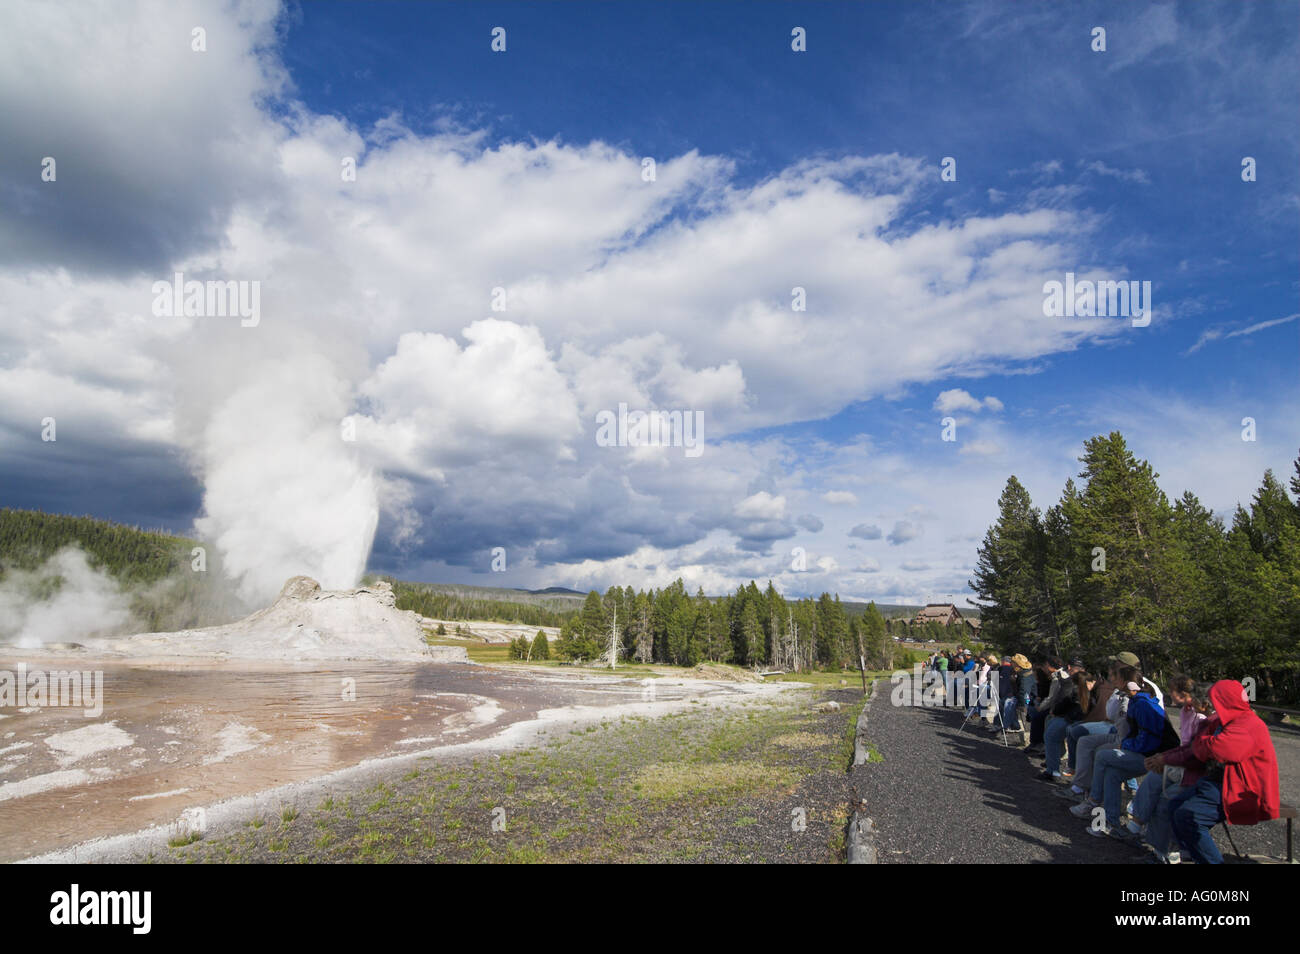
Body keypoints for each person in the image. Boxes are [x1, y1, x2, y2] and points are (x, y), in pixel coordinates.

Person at [1156, 679, 1281, 864]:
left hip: (1241, 788)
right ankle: (1192, 854)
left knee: (1189, 816)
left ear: (1226, 701)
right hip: (1219, 781)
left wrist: (1204, 742)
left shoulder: (1248, 724)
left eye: (1215, 700)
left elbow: (1220, 750)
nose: (1212, 705)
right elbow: (1200, 747)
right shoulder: (1227, 721)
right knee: (1175, 805)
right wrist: (1205, 743)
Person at [1071, 667, 1166, 837]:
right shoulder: (1128, 698)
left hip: (1149, 755)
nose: (1112, 681)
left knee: (1102, 755)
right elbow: (1112, 715)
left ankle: (1093, 800)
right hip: (1131, 744)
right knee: (1111, 772)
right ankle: (1108, 822)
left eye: (1116, 678)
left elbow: (1149, 737)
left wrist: (1127, 745)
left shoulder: (1143, 704)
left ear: (1126, 681)